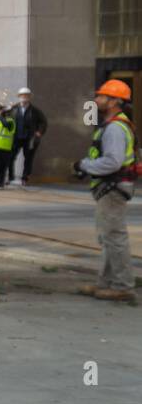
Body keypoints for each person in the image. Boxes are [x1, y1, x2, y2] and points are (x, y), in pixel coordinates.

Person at [74, 79, 136, 302]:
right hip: (109, 188)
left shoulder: (115, 129)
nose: (97, 99)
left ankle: (122, 286)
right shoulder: (112, 125)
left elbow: (112, 162)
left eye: (102, 96)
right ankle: (107, 282)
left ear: (115, 101)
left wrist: (84, 165)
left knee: (114, 237)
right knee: (108, 237)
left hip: (112, 188)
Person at [11, 87, 47, 187]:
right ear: (19, 97)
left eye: (26, 96)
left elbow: (43, 122)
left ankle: (25, 178)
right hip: (16, 138)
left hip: (30, 139)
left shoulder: (35, 111)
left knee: (28, 159)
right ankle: (10, 177)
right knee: (10, 157)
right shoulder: (14, 109)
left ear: (30, 97)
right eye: (22, 96)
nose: (24, 98)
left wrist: (39, 132)